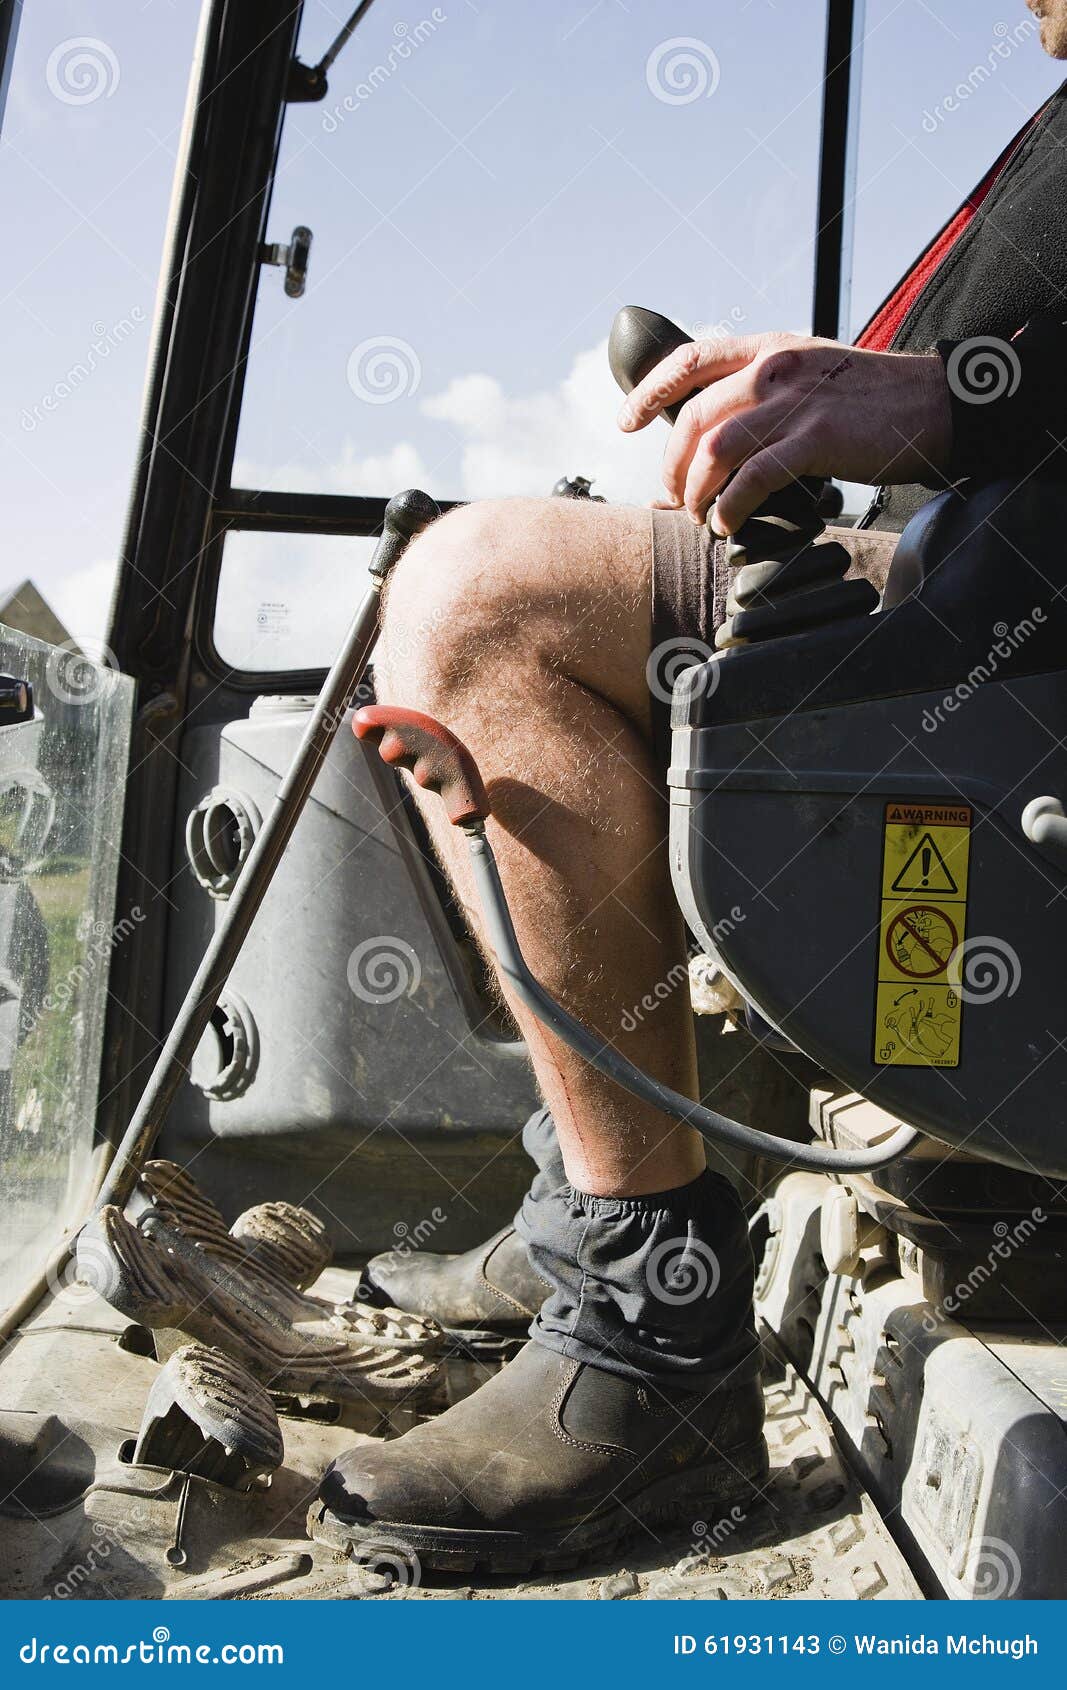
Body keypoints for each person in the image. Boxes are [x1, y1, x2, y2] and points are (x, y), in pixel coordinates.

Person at [311, 0, 1067, 1571]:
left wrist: (952, 397)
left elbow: (1004, 389)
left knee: (488, 601)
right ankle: (594, 1205)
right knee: (475, 592)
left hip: (1023, 658)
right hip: (981, 594)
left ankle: (650, 1330)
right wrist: (886, 392)